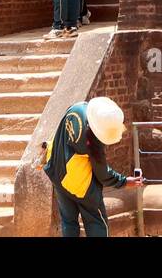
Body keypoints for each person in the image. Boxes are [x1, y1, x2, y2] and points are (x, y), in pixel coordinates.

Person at [41, 96, 144, 236]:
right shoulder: (93, 143)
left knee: (68, 222)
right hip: (82, 186)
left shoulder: (76, 108)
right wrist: (124, 181)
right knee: (96, 221)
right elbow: (103, 175)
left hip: (57, 172)